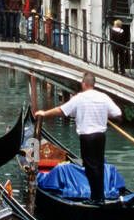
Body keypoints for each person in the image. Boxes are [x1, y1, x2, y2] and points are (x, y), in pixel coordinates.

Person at [35, 71, 122, 205]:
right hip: (100, 136)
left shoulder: (80, 98)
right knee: (98, 166)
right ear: (93, 84)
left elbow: (61, 110)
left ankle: (96, 199)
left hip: (87, 137)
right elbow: (117, 113)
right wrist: (103, 114)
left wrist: (44, 113)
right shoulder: (103, 97)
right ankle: (99, 197)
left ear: (83, 84)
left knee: (89, 167)